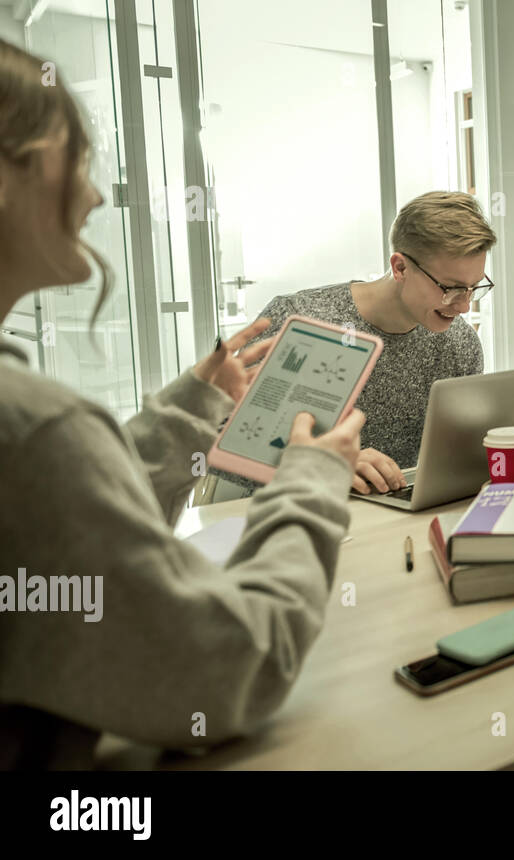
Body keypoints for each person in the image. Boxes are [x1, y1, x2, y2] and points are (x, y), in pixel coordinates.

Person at [0, 38, 365, 768]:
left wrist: (191, 408)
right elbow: (223, 671)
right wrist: (312, 484)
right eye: (78, 159)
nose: (96, 195)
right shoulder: (36, 428)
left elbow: (66, 528)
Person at [210, 191, 495, 500]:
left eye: (473, 288)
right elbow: (217, 442)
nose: (464, 306)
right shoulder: (301, 321)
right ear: (400, 268)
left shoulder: (459, 343)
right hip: (294, 518)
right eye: (451, 288)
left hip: (399, 520)